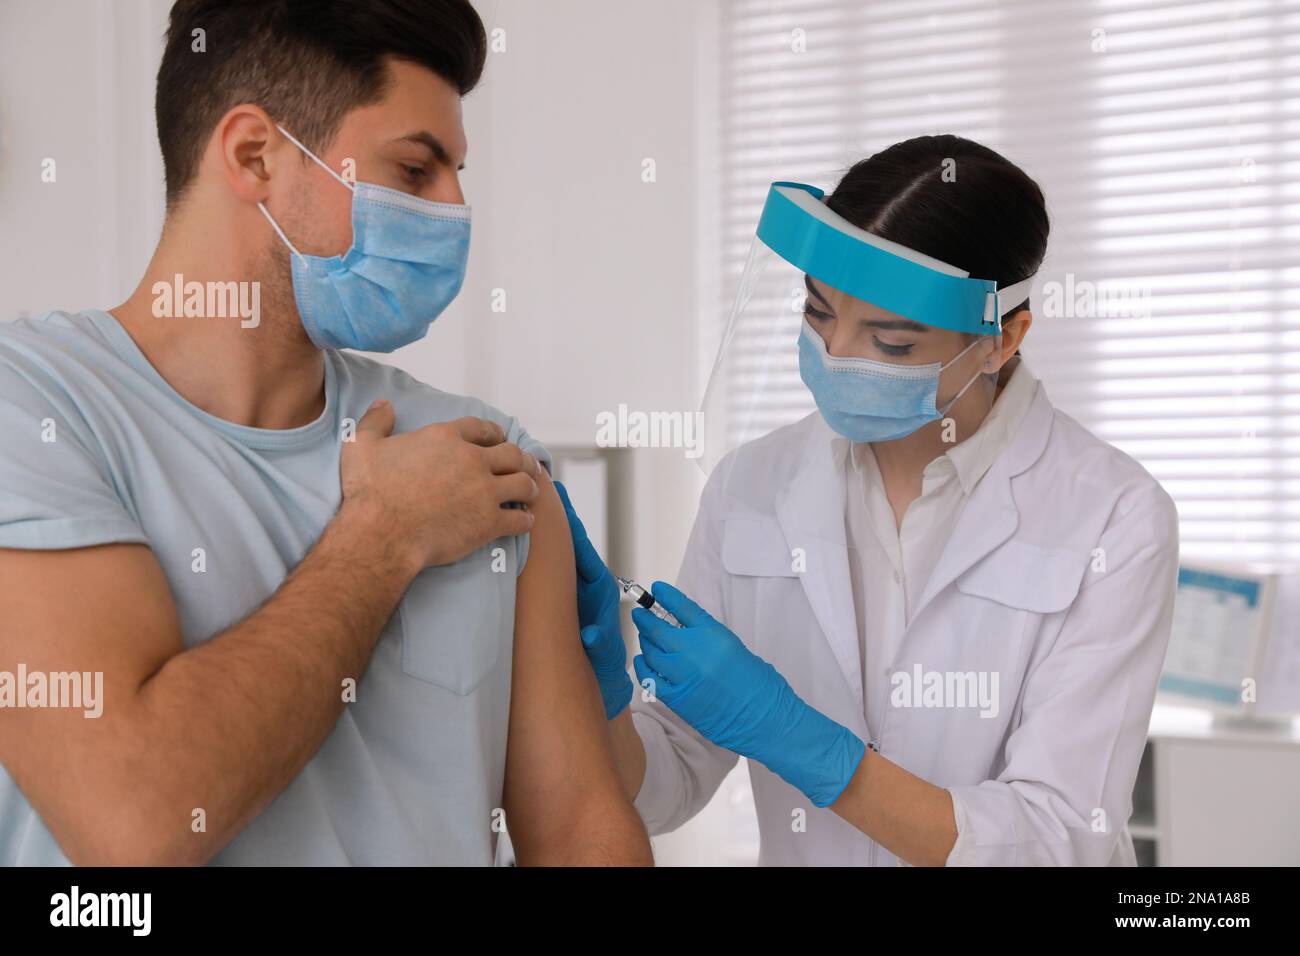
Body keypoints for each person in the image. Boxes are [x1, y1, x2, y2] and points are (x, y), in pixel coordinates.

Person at [0, 0, 650, 866]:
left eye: (458, 173)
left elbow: (579, 828)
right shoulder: (36, 406)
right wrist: (383, 542)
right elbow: (134, 820)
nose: (456, 209)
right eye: (417, 172)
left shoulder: (481, 450)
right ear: (254, 155)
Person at [560, 135, 1180, 866]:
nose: (837, 355)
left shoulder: (1114, 515)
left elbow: (1053, 840)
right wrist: (595, 705)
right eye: (820, 314)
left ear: (1002, 339)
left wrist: (802, 741)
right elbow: (672, 780)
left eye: (889, 343)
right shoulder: (751, 486)